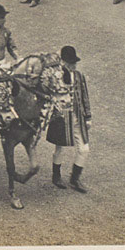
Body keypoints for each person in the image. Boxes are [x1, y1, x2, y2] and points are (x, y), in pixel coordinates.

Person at [46, 45, 92, 193]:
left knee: (84, 149)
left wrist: (88, 116)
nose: (74, 65)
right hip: (61, 118)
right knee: (59, 148)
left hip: (77, 117)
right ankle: (56, 176)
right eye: (71, 63)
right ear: (64, 62)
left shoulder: (79, 76)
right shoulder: (55, 77)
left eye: (74, 62)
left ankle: (75, 179)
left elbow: (84, 96)